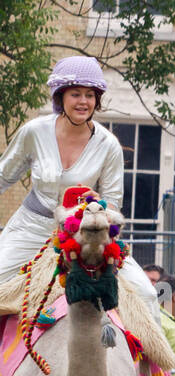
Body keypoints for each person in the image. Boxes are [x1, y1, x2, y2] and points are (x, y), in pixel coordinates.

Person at [0, 56, 157, 316]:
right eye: (75, 94)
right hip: (30, 228)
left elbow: (114, 206)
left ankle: (147, 356)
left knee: (147, 294)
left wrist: (100, 206)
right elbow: (3, 176)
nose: (83, 101)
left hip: (85, 235)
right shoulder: (34, 132)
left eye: (90, 95)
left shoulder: (108, 145)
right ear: (60, 97)